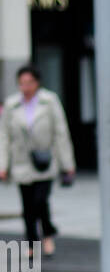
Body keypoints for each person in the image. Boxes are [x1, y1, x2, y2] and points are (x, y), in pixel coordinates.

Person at [0, 64, 75, 257]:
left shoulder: (49, 101)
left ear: (37, 83)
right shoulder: (11, 104)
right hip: (21, 161)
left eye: (29, 82)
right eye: (21, 83)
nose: (25, 87)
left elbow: (60, 132)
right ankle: (32, 243)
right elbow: (4, 136)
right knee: (27, 206)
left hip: (44, 160)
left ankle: (47, 233)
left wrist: (68, 164)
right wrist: (3, 164)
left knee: (40, 200)